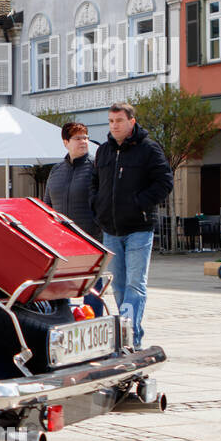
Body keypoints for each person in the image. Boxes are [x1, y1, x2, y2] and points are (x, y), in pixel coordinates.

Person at [89, 102, 174, 349]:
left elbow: (165, 181)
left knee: (135, 284)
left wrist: (139, 203)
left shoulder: (148, 149)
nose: (114, 125)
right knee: (117, 285)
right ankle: (128, 329)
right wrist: (97, 205)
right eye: (111, 121)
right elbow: (94, 183)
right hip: (111, 230)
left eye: (119, 120)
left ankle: (131, 337)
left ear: (131, 122)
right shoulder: (103, 151)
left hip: (139, 228)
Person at [44, 121, 105, 314]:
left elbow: (103, 201)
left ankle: (93, 321)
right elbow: (47, 205)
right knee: (61, 285)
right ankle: (63, 319)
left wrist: (98, 225)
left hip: (90, 238)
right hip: (62, 241)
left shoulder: (96, 168)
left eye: (85, 137)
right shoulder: (56, 171)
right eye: (78, 138)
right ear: (66, 142)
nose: (84, 142)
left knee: (93, 286)